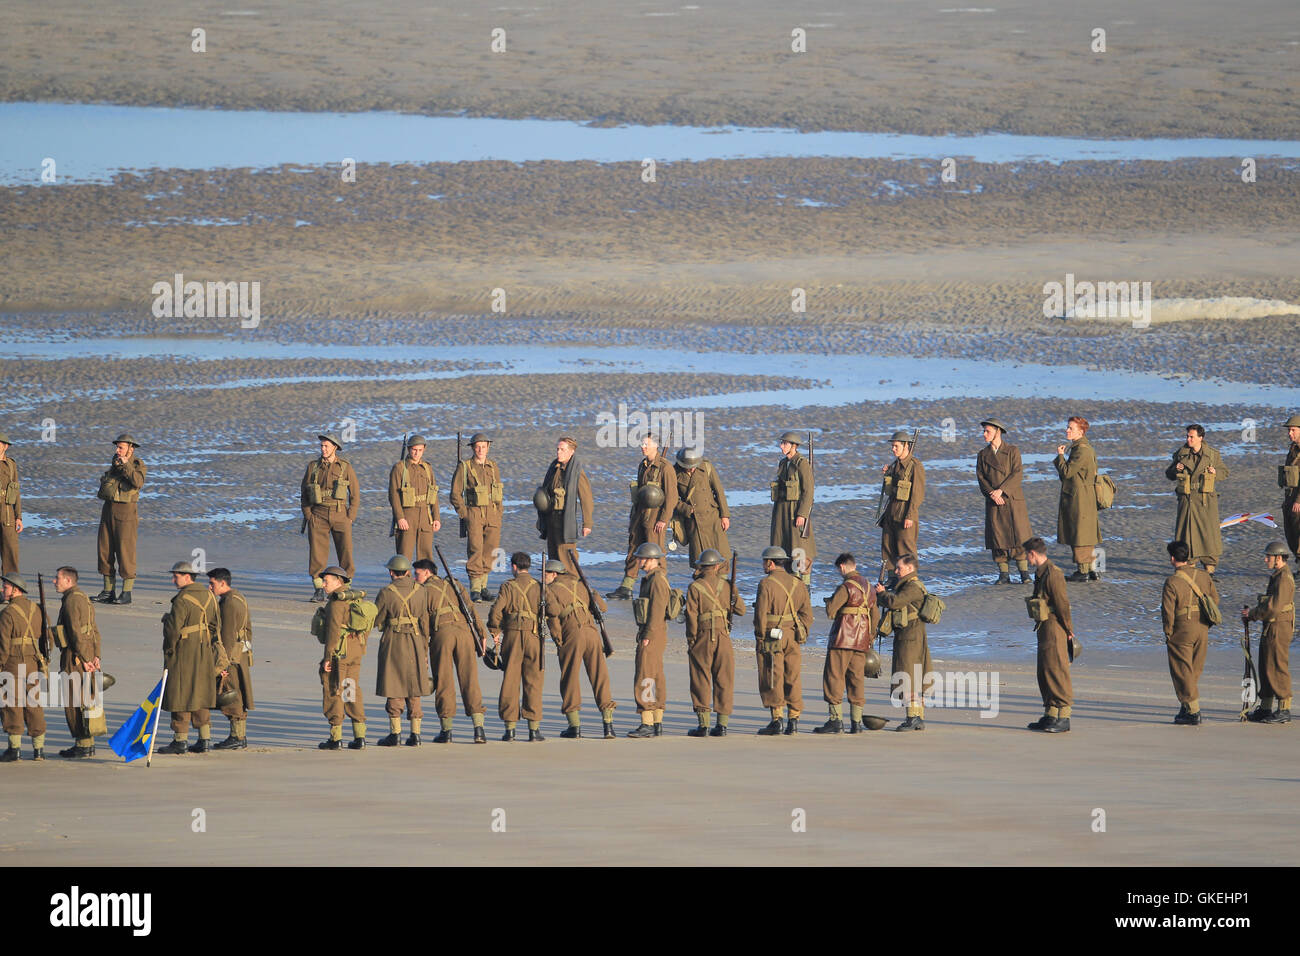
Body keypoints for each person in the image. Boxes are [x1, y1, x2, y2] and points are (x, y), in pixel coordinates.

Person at [157, 561, 229, 755]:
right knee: (201, 693)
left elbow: (173, 630)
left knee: (180, 693)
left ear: (187, 577)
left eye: (176, 576)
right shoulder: (210, 596)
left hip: (184, 652)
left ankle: (180, 740)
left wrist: (168, 650)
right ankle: (204, 739)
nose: (173, 580)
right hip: (204, 651)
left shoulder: (182, 599)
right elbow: (216, 626)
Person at [541, 559, 616, 738]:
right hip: (592, 634)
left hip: (572, 635)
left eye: (545, 573)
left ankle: (574, 726)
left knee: (570, 678)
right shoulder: (582, 585)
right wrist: (590, 590)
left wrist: (559, 641)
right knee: (600, 677)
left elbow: (552, 618)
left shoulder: (550, 590)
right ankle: (608, 725)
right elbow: (602, 607)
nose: (542, 577)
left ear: (554, 574)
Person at [421, 558, 487, 743]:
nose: (416, 577)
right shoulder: (454, 583)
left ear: (427, 572)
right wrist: (482, 634)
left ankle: (447, 730)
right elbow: (470, 609)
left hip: (442, 634)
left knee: (444, 681)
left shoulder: (424, 590)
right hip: (465, 633)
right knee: (470, 680)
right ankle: (479, 729)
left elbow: (424, 623)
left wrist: (423, 651)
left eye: (418, 573)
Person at [683, 548, 744, 736]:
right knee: (724, 679)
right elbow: (741, 610)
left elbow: (691, 616)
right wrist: (732, 595)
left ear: (702, 566)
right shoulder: (726, 585)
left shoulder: (695, 587)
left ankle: (703, 725)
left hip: (702, 636)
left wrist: (692, 639)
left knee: (701, 678)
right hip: (723, 636)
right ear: (717, 566)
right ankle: (722, 725)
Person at [816, 553, 880, 734]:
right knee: (856, 680)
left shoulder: (846, 586)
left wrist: (829, 601)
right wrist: (871, 635)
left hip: (842, 639)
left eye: (838, 569)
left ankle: (835, 721)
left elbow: (831, 611)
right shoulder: (869, 587)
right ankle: (856, 722)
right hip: (861, 642)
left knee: (834, 677)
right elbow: (875, 615)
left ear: (842, 567)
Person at [608, 434, 677, 600]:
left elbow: (672, 497)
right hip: (640, 515)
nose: (642, 447)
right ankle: (627, 586)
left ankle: (660, 587)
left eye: (646, 444)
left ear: (655, 446)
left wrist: (663, 519)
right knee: (633, 548)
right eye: (642, 444)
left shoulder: (666, 468)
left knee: (655, 550)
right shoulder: (643, 465)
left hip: (655, 518)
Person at [753, 546, 813, 735]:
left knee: (773, 675)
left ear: (770, 563)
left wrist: (760, 636)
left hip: (772, 635)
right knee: (793, 676)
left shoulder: (766, 584)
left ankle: (776, 719)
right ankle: (794, 719)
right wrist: (799, 631)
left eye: (764, 562)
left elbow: (760, 616)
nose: (763, 565)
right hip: (793, 636)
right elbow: (807, 615)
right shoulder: (798, 583)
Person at [374, 555, 432, 747]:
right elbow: (425, 622)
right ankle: (416, 734)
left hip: (393, 641)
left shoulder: (386, 592)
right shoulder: (421, 590)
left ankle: (395, 734)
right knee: (414, 686)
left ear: (391, 572)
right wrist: (424, 650)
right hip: (416, 640)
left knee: (394, 685)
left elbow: (377, 620)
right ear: (407, 572)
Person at [487, 552, 545, 741]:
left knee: (510, 681)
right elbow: (551, 611)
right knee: (533, 682)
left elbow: (496, 611)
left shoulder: (508, 586)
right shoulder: (539, 586)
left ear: (514, 567)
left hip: (511, 636)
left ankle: (510, 729)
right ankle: (534, 730)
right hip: (534, 636)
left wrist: (495, 632)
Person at [1160, 541, 1219, 725]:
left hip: (1182, 629)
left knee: (1182, 670)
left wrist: (1168, 632)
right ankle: (1186, 705)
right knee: (1194, 669)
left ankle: (1193, 710)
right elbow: (1214, 600)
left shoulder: (1172, 581)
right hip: (1202, 628)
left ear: (1172, 558)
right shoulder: (1202, 576)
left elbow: (1167, 611)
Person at [874, 553, 932, 731]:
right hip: (910, 635)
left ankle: (913, 717)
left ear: (910, 568)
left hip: (910, 637)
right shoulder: (908, 585)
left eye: (899, 568)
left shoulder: (913, 586)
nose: (897, 571)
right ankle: (917, 718)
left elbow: (895, 602)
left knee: (908, 676)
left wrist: (882, 594)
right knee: (913, 675)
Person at [52, 566, 103, 758]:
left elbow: (74, 633)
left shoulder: (72, 600)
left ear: (68, 581)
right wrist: (96, 655)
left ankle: (82, 744)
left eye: (58, 578)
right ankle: (87, 743)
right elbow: (94, 630)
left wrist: (84, 659)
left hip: (75, 657)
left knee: (75, 700)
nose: (54, 582)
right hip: (87, 653)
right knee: (86, 699)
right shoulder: (83, 598)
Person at [1023, 538, 1074, 732]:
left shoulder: (1053, 574)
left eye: (1027, 555)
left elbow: (1062, 604)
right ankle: (1050, 715)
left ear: (1033, 554)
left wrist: (1068, 630)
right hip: (1044, 626)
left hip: (1055, 627)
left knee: (1057, 671)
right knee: (1044, 671)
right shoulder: (1041, 573)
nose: (1026, 559)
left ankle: (1064, 717)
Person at [301, 433, 359, 602]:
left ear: (335, 447)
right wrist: (308, 515)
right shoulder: (313, 467)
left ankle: (345, 587)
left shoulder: (345, 467)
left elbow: (355, 494)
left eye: (326, 446)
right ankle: (319, 589)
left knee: (346, 552)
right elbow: (304, 493)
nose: (323, 449)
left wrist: (350, 516)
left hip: (341, 514)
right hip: (318, 515)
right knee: (317, 555)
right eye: (321, 446)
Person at [1243, 541, 1295, 724]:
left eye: (1269, 557)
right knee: (1266, 666)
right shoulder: (1278, 576)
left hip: (1278, 628)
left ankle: (1284, 708)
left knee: (1277, 666)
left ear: (1278, 558)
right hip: (1271, 627)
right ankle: (1265, 708)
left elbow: (1273, 608)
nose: (1266, 560)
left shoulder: (1284, 578)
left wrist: (1253, 614)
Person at [316, 565, 367, 750]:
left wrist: (327, 658)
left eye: (326, 581)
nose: (323, 584)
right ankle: (359, 736)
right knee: (350, 689)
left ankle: (335, 738)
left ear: (339, 581)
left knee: (333, 690)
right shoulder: (355, 598)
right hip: (355, 651)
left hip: (340, 653)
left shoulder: (336, 602)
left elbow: (333, 631)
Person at [1165, 424, 1227, 574]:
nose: (1188, 439)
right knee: (1186, 535)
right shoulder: (1181, 454)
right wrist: (1176, 469)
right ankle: (1188, 567)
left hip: (1206, 502)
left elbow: (1224, 472)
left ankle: (1209, 571)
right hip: (1187, 502)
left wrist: (1215, 472)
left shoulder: (1212, 455)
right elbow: (1169, 474)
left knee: (1209, 536)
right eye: (1187, 436)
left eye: (1191, 436)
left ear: (1201, 438)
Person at [976, 419, 1032, 584]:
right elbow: (980, 477)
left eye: (987, 431)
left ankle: (1024, 573)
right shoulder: (982, 454)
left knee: (1018, 535)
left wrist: (1002, 490)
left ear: (997, 432)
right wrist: (992, 494)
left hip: (1012, 499)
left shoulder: (1012, 451)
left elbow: (1017, 473)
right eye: (984, 431)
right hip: (993, 500)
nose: (984, 434)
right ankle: (1004, 574)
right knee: (997, 537)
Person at [94, 434, 147, 604]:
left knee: (126, 551)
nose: (117, 450)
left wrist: (126, 465)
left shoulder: (138, 465)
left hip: (126, 512)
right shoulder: (114, 463)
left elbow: (137, 482)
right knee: (105, 550)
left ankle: (126, 592)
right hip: (108, 509)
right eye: (117, 447)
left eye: (121, 447)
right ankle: (108, 591)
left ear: (131, 449)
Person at [451, 433, 504, 601]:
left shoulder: (493, 466)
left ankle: (483, 587)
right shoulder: (464, 467)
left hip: (493, 515)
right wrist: (465, 514)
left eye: (484, 446)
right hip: (474, 514)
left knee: (490, 551)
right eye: (478, 446)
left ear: (488, 447)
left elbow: (499, 494)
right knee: (475, 550)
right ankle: (475, 589)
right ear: (473, 448)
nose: (481, 450)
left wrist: (499, 513)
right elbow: (455, 494)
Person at [207, 567, 254, 750]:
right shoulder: (239, 598)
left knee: (232, 694)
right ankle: (238, 736)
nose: (210, 587)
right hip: (239, 654)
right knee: (238, 694)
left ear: (222, 583)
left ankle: (237, 737)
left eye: (212, 583)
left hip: (231, 657)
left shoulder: (228, 603)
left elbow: (226, 635)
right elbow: (248, 630)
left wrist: (222, 664)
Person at [0, 574, 45, 761]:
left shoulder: (7, 613)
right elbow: (46, 638)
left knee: (12, 704)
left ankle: (15, 749)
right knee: (33, 704)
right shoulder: (37, 609)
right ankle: (38, 749)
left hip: (13, 663)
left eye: (6, 587)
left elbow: (3, 644)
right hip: (33, 663)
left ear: (16, 590)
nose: (2, 590)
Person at [627, 542, 670, 737]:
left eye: (641, 558)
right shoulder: (653, 578)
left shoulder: (657, 580)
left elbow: (657, 611)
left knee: (645, 676)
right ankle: (657, 721)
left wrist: (647, 636)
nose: (639, 561)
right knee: (655, 674)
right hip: (655, 632)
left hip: (653, 632)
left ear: (651, 559)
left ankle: (647, 722)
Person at [536, 437, 593, 576]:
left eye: (562, 450)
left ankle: (575, 587)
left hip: (565, 520)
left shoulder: (576, 471)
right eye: (558, 449)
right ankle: (557, 589)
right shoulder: (554, 468)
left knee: (567, 558)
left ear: (571, 452)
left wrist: (587, 524)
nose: (559, 453)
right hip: (551, 518)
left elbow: (586, 498)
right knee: (553, 557)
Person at [1055, 416, 1101, 582]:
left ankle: (1083, 572)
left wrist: (1060, 456)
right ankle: (1092, 571)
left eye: (1070, 428)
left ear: (1080, 431)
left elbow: (1067, 472)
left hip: (1079, 498)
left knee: (1080, 534)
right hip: (1083, 495)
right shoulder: (1083, 448)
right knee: (1086, 533)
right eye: (1067, 427)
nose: (1067, 430)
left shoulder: (1081, 450)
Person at [671, 448, 731, 568]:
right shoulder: (674, 473)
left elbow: (719, 491)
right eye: (689, 466)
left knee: (722, 556)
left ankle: (722, 583)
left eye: (694, 465)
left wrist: (725, 516)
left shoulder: (707, 467)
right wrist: (687, 510)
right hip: (693, 521)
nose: (692, 468)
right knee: (700, 560)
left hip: (713, 518)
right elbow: (672, 498)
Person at [770, 432, 816, 585]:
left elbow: (808, 491)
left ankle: (805, 587)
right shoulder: (783, 463)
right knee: (784, 547)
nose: (782, 446)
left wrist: (802, 514)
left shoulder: (802, 463)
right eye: (782, 443)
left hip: (795, 510)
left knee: (800, 549)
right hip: (781, 511)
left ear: (794, 446)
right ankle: (790, 583)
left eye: (785, 443)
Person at [878, 431, 925, 579]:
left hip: (905, 514)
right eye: (892, 446)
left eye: (896, 446)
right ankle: (892, 578)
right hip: (891, 512)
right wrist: (887, 476)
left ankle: (910, 580)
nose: (893, 449)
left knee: (906, 549)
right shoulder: (895, 466)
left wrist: (910, 516)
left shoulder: (915, 466)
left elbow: (917, 494)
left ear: (906, 446)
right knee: (888, 547)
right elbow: (889, 492)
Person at [388, 434, 440, 564]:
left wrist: (436, 518)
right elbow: (393, 495)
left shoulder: (428, 468)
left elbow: (434, 494)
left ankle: (426, 583)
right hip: (407, 515)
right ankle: (403, 582)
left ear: (424, 450)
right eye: (414, 450)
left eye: (420, 450)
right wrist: (400, 517)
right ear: (409, 449)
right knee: (404, 555)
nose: (417, 453)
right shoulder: (399, 468)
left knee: (426, 555)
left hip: (425, 516)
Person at [0, 432, 23, 575]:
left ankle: (10, 588)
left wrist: (18, 517)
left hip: (7, 513)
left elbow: (16, 491)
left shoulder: (11, 464)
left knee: (10, 554)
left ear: (6, 446)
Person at [1280, 414, 1300, 574]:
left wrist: (1299, 500)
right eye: (1289, 430)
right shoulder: (1293, 450)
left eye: (1293, 430)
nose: (1290, 433)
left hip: (1298, 500)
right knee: (1291, 532)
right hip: (1290, 497)